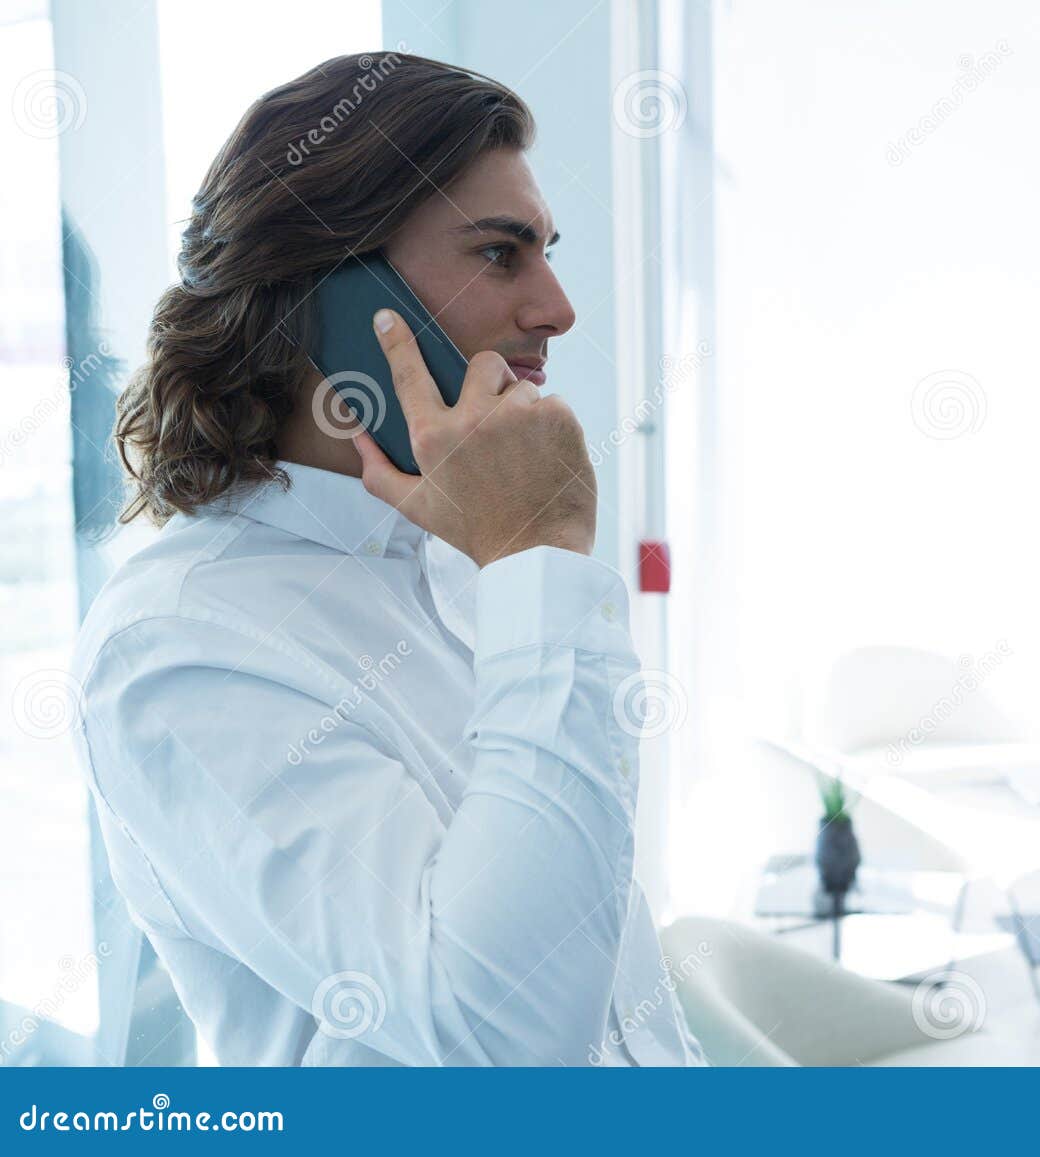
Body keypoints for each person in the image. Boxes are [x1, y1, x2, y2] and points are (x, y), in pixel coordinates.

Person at [67, 52, 704, 1066]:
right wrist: (539, 556)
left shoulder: (462, 553)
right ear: (329, 291)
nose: (558, 308)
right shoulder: (178, 645)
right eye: (502, 255)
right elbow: (500, 1039)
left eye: (547, 251)